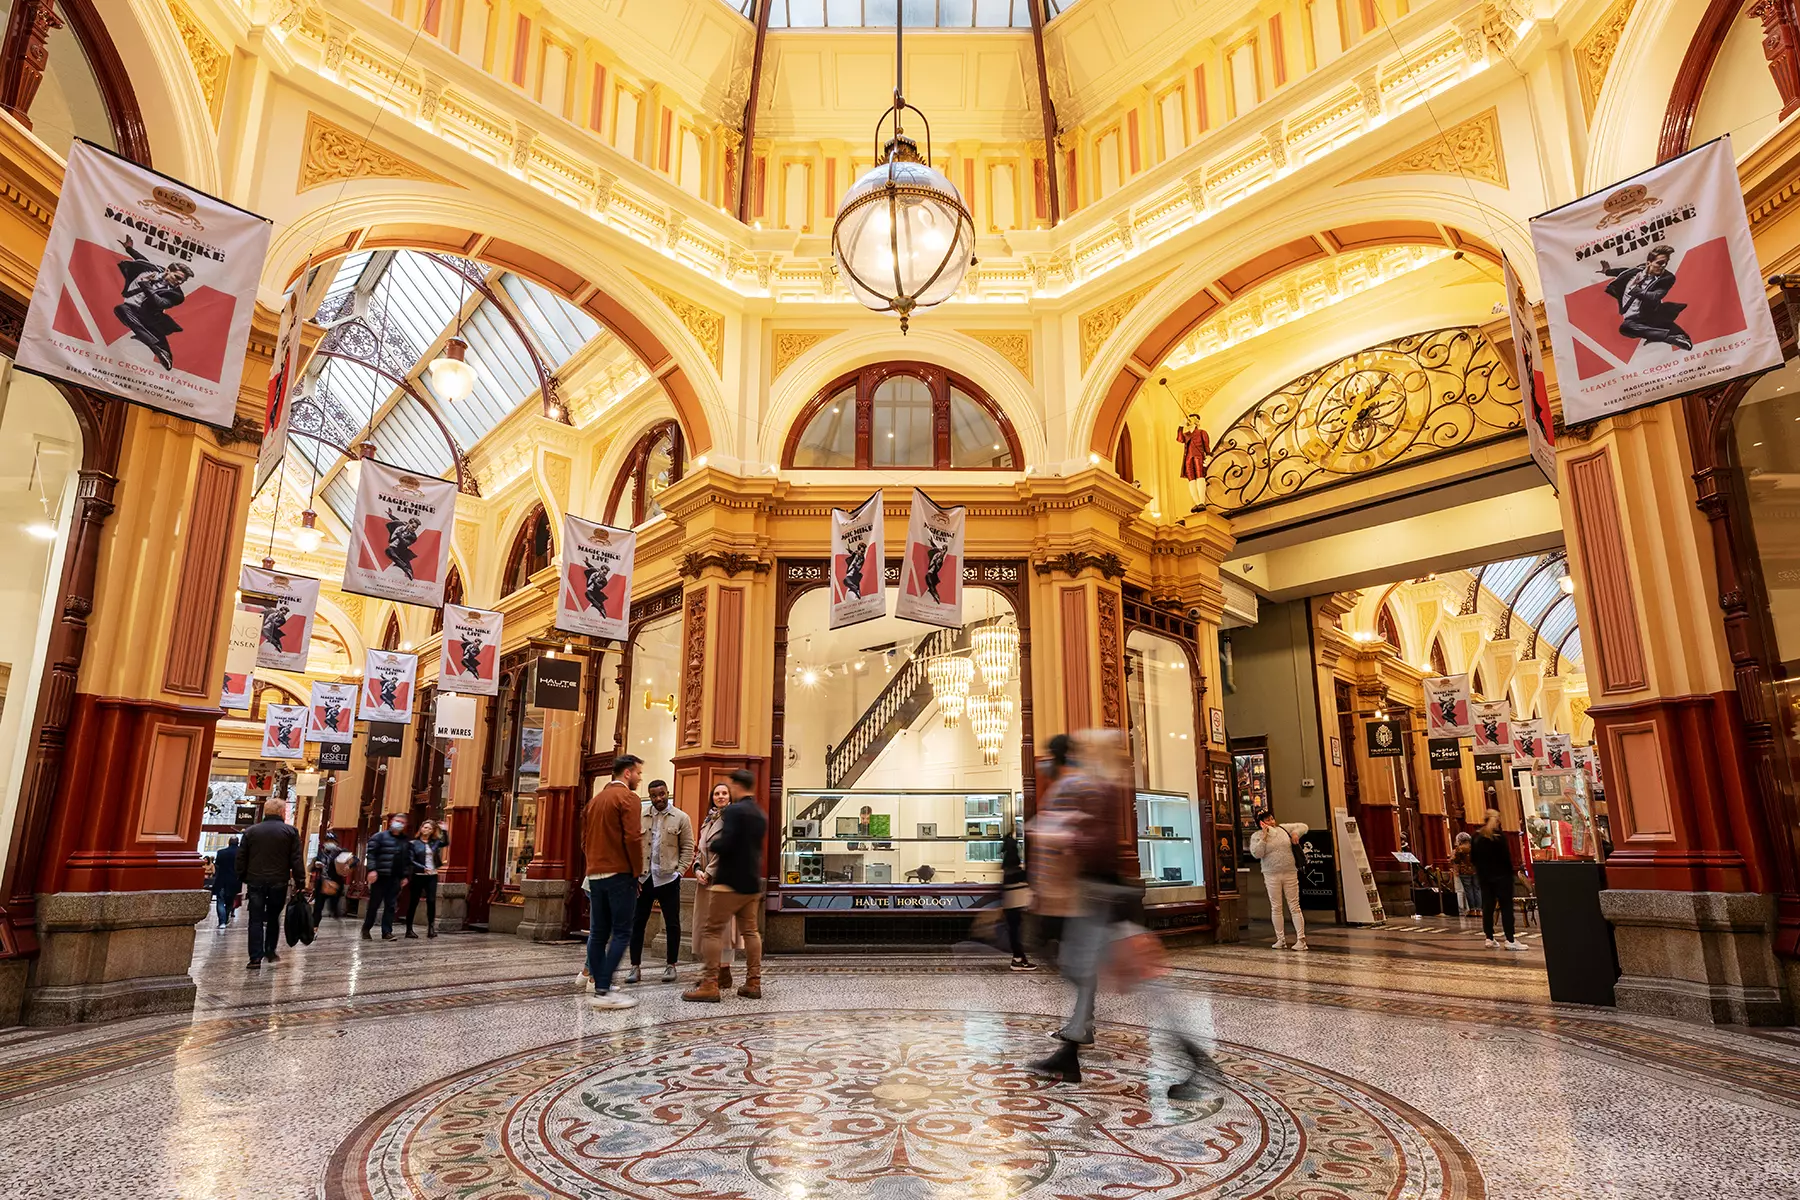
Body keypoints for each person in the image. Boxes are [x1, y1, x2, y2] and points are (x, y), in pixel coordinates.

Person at [1032, 731, 1215, 1100]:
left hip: (1103, 902)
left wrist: (1060, 839)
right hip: (1095, 899)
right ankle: (1071, 1051)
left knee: (1145, 983)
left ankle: (1197, 1060)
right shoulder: (1094, 786)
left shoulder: (1091, 788)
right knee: (1081, 969)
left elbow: (1096, 844)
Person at [683, 769, 767, 1003]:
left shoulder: (735, 811)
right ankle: (753, 982)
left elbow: (726, 844)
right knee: (751, 932)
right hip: (751, 884)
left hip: (728, 882)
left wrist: (718, 844)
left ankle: (710, 983)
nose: (724, 794)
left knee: (712, 930)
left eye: (729, 788)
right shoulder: (760, 813)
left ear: (737, 787)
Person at [582, 755, 645, 1009]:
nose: (640, 777)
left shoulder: (595, 801)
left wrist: (591, 865)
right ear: (627, 773)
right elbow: (632, 838)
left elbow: (584, 840)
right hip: (619, 872)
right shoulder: (628, 798)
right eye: (638, 773)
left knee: (598, 932)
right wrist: (636, 872)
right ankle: (605, 989)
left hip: (595, 874)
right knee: (621, 932)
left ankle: (599, 987)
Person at [627, 780, 694, 984]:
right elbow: (632, 846)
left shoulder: (681, 817)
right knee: (637, 923)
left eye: (662, 794)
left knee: (672, 923)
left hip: (668, 878)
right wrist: (634, 875)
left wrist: (679, 872)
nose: (658, 799)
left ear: (667, 792)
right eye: (654, 795)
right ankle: (634, 967)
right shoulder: (641, 817)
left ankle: (670, 965)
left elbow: (688, 847)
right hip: (644, 878)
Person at [236, 799, 304, 970]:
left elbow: (241, 857)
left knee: (256, 918)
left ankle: (254, 957)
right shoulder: (290, 832)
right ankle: (270, 950)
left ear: (266, 812)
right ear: (282, 812)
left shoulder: (251, 831)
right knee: (274, 917)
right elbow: (296, 859)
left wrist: (243, 876)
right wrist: (300, 880)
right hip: (278, 881)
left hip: (255, 880)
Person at [1030, 734, 1081, 950]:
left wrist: (1038, 832)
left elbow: (1071, 834)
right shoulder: (1061, 785)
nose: (1044, 763)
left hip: (1063, 891)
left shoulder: (1069, 786)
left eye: (1049, 756)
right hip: (1056, 891)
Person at [113, 235, 193, 370]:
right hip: (133, 310)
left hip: (150, 317)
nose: (179, 282)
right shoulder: (153, 270)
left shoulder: (177, 295)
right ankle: (150, 342)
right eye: (177, 277)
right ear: (167, 270)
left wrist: (146, 285)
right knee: (121, 308)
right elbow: (143, 261)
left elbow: (160, 303)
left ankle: (157, 348)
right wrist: (129, 249)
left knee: (167, 363)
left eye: (182, 281)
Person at [691, 782, 739, 990]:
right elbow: (699, 849)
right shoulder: (708, 820)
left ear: (730, 797)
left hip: (722, 880)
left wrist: (709, 872)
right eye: (717, 793)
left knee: (723, 928)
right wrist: (697, 869)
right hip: (704, 882)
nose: (720, 796)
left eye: (724, 793)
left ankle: (724, 972)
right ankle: (711, 969)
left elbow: (727, 851)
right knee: (706, 927)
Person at [1249, 808, 1309, 951]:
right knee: (1276, 907)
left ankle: (1301, 939)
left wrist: (1295, 833)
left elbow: (1304, 826)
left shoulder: (1283, 829)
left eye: (1272, 818)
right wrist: (1264, 837)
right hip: (1271, 874)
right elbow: (1257, 854)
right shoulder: (1256, 836)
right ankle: (1280, 939)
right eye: (1267, 820)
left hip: (1289, 872)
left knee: (1294, 906)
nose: (1271, 822)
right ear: (1261, 823)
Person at [1472, 808, 1527, 951]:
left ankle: (1489, 938)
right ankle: (1510, 939)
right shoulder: (1498, 837)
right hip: (1502, 878)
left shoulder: (1476, 837)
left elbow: (1473, 859)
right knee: (1506, 908)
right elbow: (1506, 858)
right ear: (1496, 820)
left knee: (1488, 907)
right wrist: (1510, 874)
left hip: (1485, 878)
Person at [361, 813, 412, 941]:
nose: (399, 823)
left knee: (391, 905)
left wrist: (405, 876)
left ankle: (387, 931)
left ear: (405, 825)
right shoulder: (379, 837)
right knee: (374, 905)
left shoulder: (405, 841)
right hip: (380, 876)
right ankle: (366, 929)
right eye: (397, 821)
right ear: (391, 822)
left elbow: (406, 860)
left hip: (395, 878)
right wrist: (372, 870)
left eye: (402, 822)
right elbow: (371, 855)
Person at [406, 819, 448, 939]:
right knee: (414, 902)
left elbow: (445, 842)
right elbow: (410, 860)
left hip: (432, 876)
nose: (427, 830)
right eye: (425, 827)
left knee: (431, 901)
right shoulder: (413, 844)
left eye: (430, 828)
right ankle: (409, 929)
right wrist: (422, 868)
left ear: (432, 831)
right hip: (418, 876)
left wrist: (444, 830)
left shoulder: (434, 843)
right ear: (421, 828)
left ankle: (431, 928)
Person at [1000, 831, 1036, 972]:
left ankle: (1019, 958)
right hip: (1016, 903)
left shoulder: (1007, 864)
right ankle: (1018, 959)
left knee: (1015, 931)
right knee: (1017, 931)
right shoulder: (1014, 864)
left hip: (1010, 903)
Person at [310, 835, 346, 924]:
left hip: (335, 883)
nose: (329, 843)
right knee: (318, 907)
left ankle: (337, 917)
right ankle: (314, 927)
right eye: (327, 841)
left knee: (333, 907)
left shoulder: (341, 853)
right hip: (322, 883)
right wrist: (315, 865)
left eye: (332, 841)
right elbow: (312, 868)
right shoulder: (321, 853)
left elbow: (352, 862)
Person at [210, 836, 240, 932]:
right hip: (234, 881)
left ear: (228, 842)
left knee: (220, 900)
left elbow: (217, 864)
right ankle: (226, 918)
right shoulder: (241, 853)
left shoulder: (221, 852)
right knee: (230, 901)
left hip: (221, 880)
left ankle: (222, 922)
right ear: (238, 842)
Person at [1451, 832, 1481, 919]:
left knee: (1469, 891)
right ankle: (1479, 910)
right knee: (1477, 889)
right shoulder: (1475, 847)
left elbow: (1455, 860)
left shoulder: (1459, 849)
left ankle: (1472, 910)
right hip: (1476, 870)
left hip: (1464, 872)